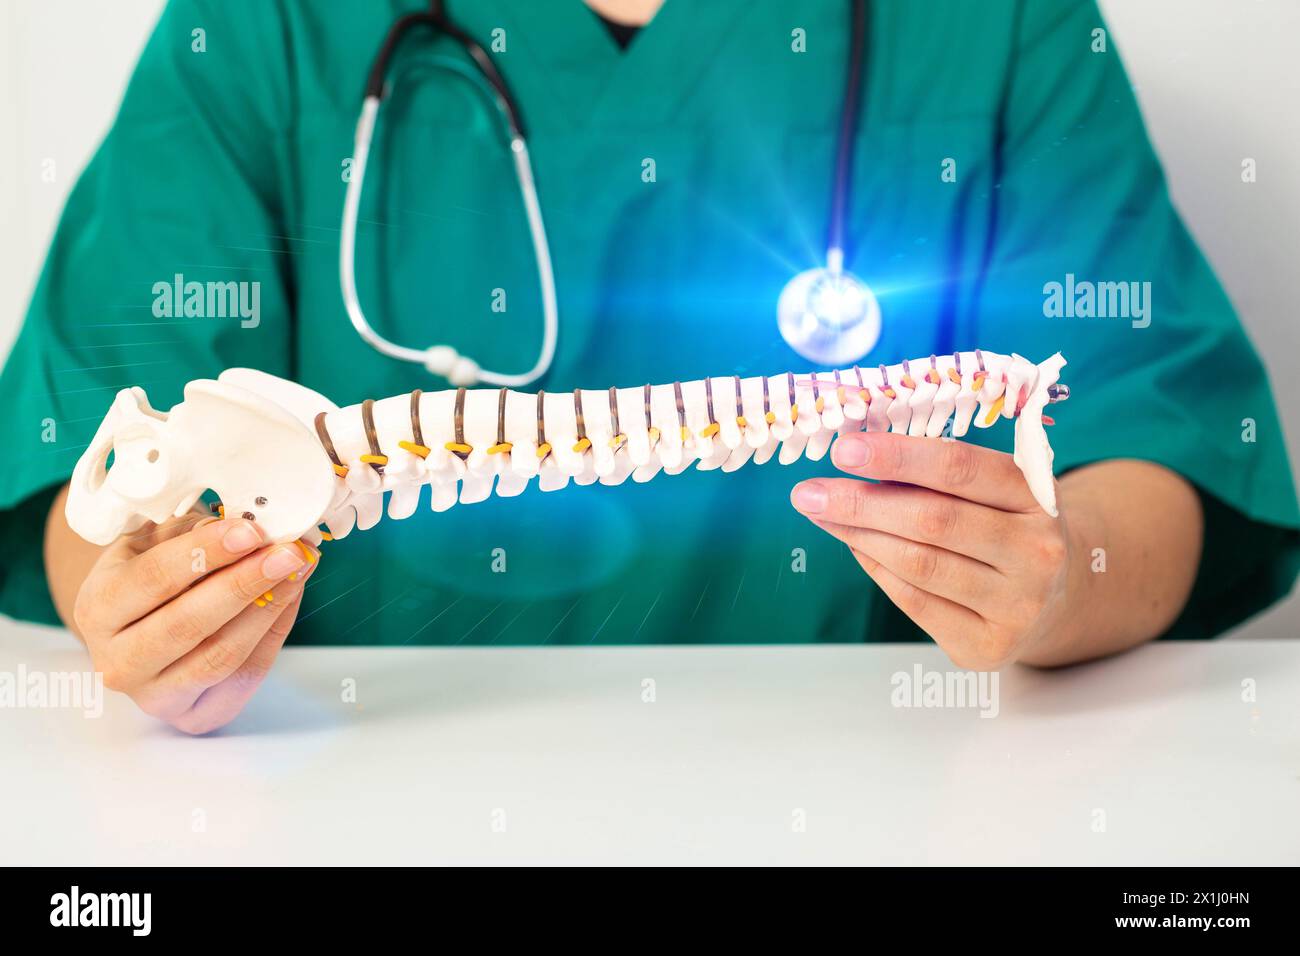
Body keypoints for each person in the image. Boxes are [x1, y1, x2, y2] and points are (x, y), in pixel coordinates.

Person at [2, 0, 1296, 733]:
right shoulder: (265, 24)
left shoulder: (994, 24)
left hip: (877, 802)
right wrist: (144, 611)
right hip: (332, 796)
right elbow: (83, 483)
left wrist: (1057, 580)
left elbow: (1163, 439)